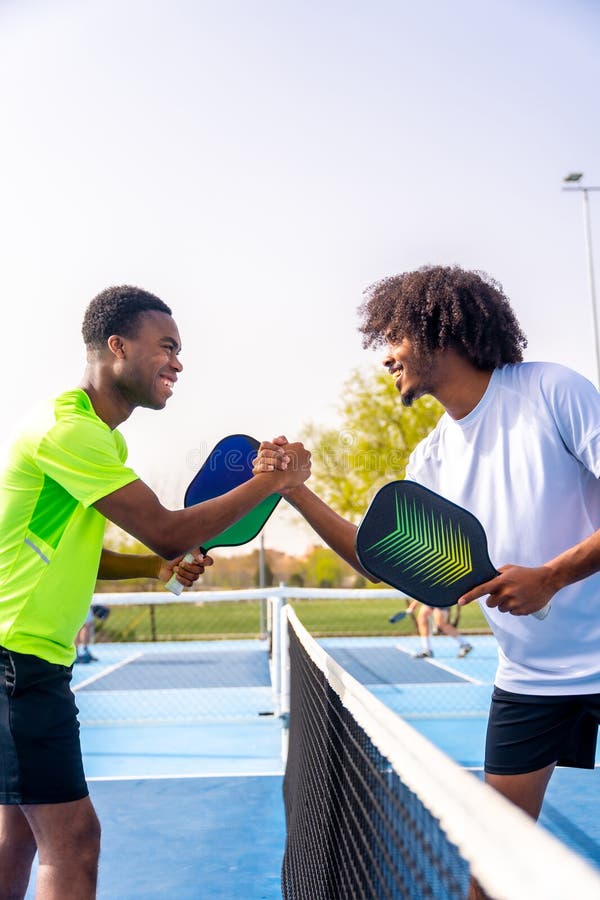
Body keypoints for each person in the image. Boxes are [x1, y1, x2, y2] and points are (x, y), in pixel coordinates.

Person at [255, 265, 600, 849]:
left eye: (394, 338)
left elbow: (550, 574)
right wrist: (295, 490)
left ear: (439, 330)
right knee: (495, 862)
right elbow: (380, 558)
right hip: (530, 680)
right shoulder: (431, 460)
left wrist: (552, 576)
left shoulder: (550, 390)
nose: (385, 358)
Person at [0, 286, 311, 900]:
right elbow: (169, 527)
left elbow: (68, 554)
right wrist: (270, 482)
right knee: (74, 841)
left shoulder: (95, 435)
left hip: (20, 656)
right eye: (166, 346)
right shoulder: (72, 432)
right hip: (19, 663)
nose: (178, 362)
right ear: (116, 347)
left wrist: (155, 568)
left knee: (17, 836)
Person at [402, 600, 473, 658]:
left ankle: (465, 644)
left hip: (440, 597)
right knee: (421, 618)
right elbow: (423, 588)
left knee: (440, 624)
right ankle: (426, 650)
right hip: (429, 598)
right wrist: (414, 603)